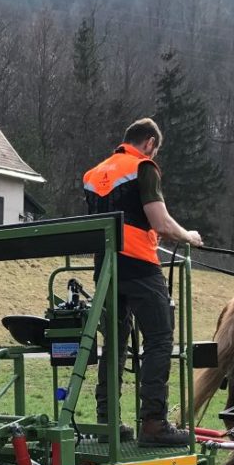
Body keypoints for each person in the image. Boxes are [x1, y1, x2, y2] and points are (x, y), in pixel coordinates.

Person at [82, 118, 202, 447]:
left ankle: (107, 421)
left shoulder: (93, 174)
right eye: (156, 148)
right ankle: (153, 423)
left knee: (115, 343)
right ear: (149, 142)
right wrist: (188, 236)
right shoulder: (143, 167)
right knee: (160, 338)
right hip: (139, 266)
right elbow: (160, 223)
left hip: (105, 268)